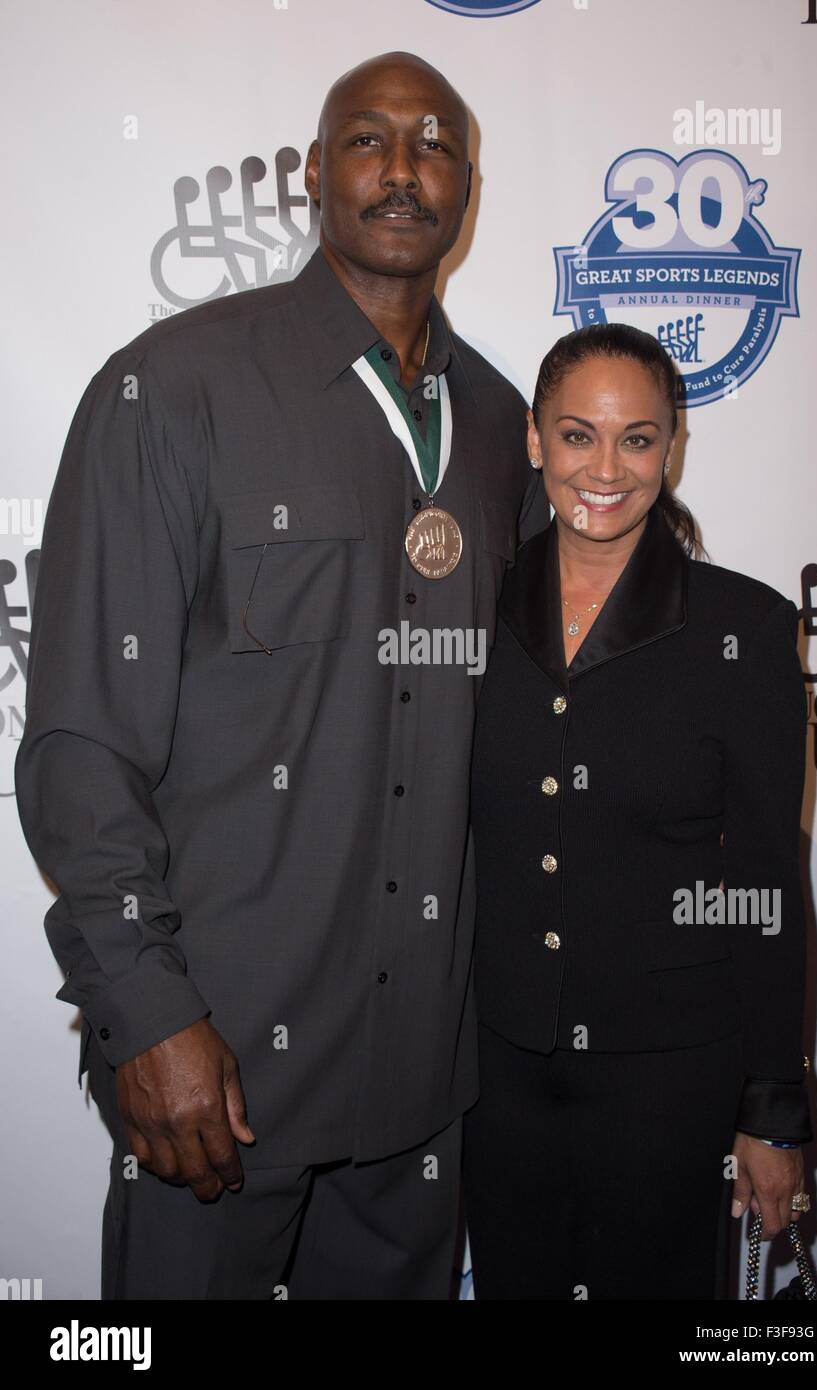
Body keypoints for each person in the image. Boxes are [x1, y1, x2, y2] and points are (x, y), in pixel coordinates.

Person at [14, 50, 549, 1300]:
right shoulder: (175, 391)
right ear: (312, 173)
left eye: (435, 143)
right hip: (218, 1072)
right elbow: (81, 746)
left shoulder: (501, 425)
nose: (404, 168)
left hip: (421, 1082)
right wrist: (145, 1015)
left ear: (470, 186)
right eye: (368, 139)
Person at [462, 323, 813, 1300]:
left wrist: (773, 1110)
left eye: (637, 439)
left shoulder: (743, 628)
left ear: (673, 445)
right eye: (577, 436)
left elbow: (764, 889)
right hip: (497, 1076)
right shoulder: (470, 614)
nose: (604, 469)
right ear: (535, 441)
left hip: (673, 1080)